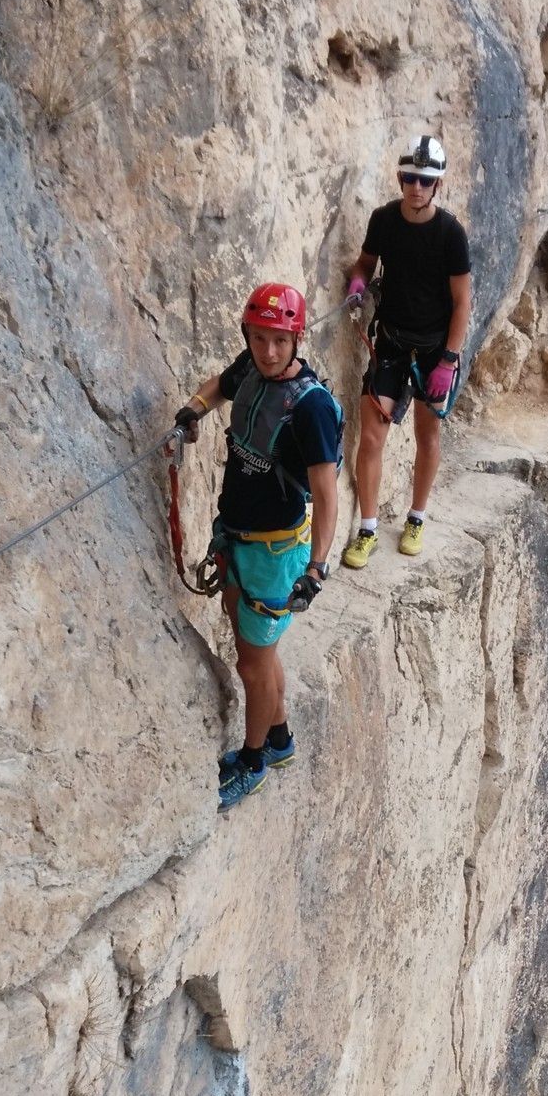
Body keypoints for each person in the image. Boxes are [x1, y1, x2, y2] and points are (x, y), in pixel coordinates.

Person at [174, 283, 342, 810]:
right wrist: (194, 409)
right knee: (255, 647)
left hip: (274, 552)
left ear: (296, 339)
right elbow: (220, 386)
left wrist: (315, 568)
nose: (267, 351)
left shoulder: (309, 408)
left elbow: (326, 492)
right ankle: (279, 737)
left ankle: (253, 760)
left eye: (278, 340)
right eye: (258, 338)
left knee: (253, 661)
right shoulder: (251, 366)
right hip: (239, 532)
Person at [340, 134, 472, 568]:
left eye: (425, 180)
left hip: (435, 348)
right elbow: (365, 261)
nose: (416, 187)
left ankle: (416, 517)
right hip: (392, 343)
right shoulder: (383, 220)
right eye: (410, 178)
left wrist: (449, 361)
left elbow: (461, 302)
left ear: (437, 185)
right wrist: (359, 281)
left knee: (427, 433)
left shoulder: (451, 234)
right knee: (372, 436)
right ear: (401, 178)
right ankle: (368, 529)